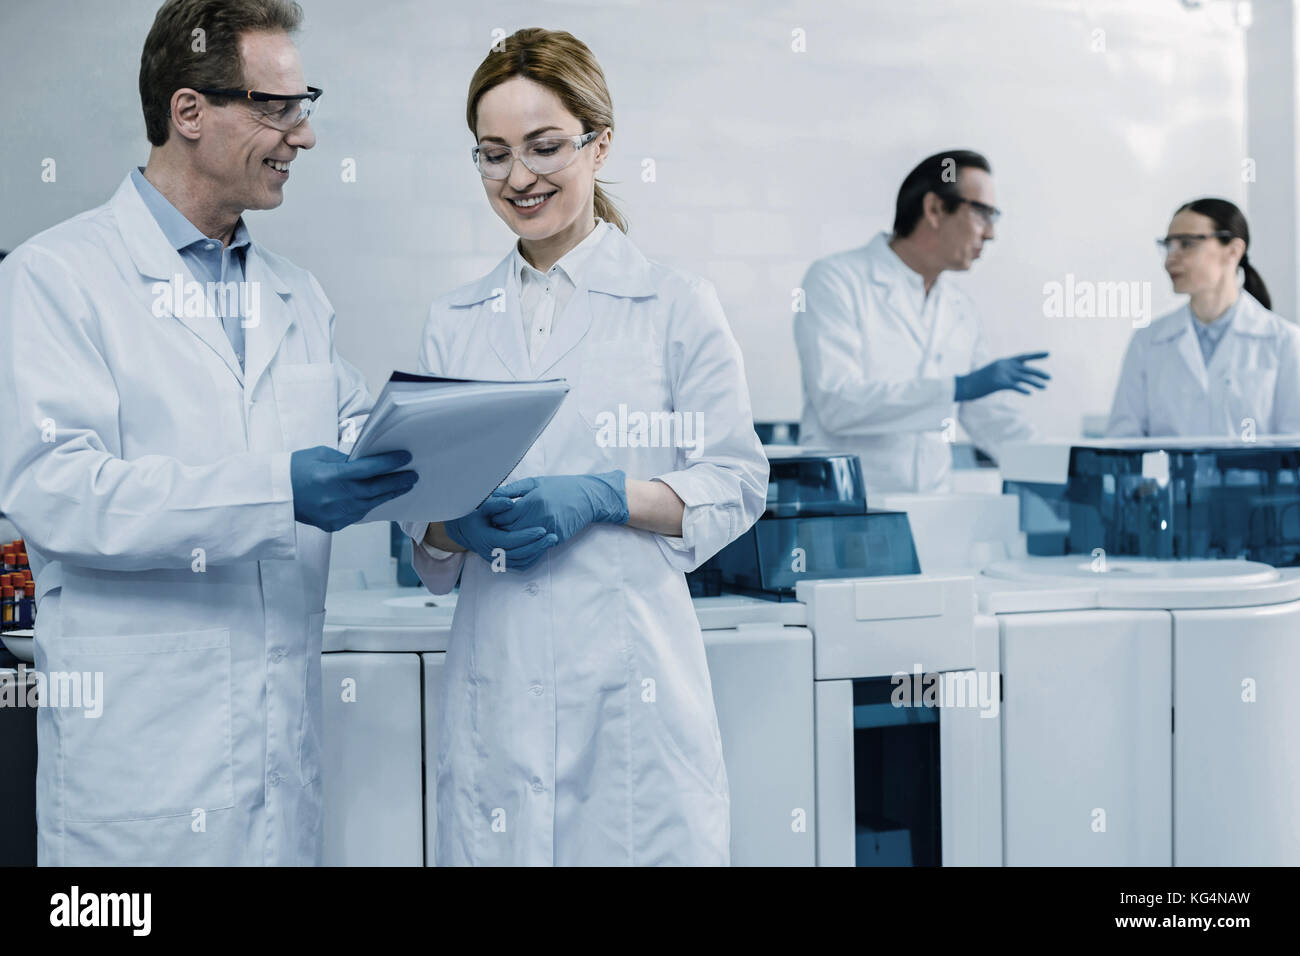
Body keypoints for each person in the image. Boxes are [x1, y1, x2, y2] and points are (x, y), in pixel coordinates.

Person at [0, 0, 416, 866]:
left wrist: (444, 483)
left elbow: (349, 442)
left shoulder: (297, 294)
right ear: (188, 112)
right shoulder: (57, 278)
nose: (302, 135)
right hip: (142, 772)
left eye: (305, 106)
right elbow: (57, 491)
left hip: (278, 765)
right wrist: (278, 491)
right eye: (276, 107)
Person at [401, 28, 768, 866]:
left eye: (543, 147)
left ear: (600, 146)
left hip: (630, 699)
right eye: (493, 155)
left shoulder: (674, 304)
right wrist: (455, 524)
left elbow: (739, 482)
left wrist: (606, 494)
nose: (519, 178)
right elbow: (424, 526)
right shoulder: (452, 323)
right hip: (494, 682)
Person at [794, 150, 1049, 494]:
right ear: (934, 210)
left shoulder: (960, 309)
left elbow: (989, 419)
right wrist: (957, 387)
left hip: (933, 509)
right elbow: (837, 403)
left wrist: (1061, 471)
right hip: (849, 508)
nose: (990, 234)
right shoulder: (836, 280)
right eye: (982, 214)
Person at [1107, 198, 1300, 438]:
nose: (1169, 260)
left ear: (1233, 251)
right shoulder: (1147, 342)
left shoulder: (1285, 342)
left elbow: (1293, 448)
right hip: (1171, 478)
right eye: (1168, 246)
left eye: (1187, 244)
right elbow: (1124, 440)